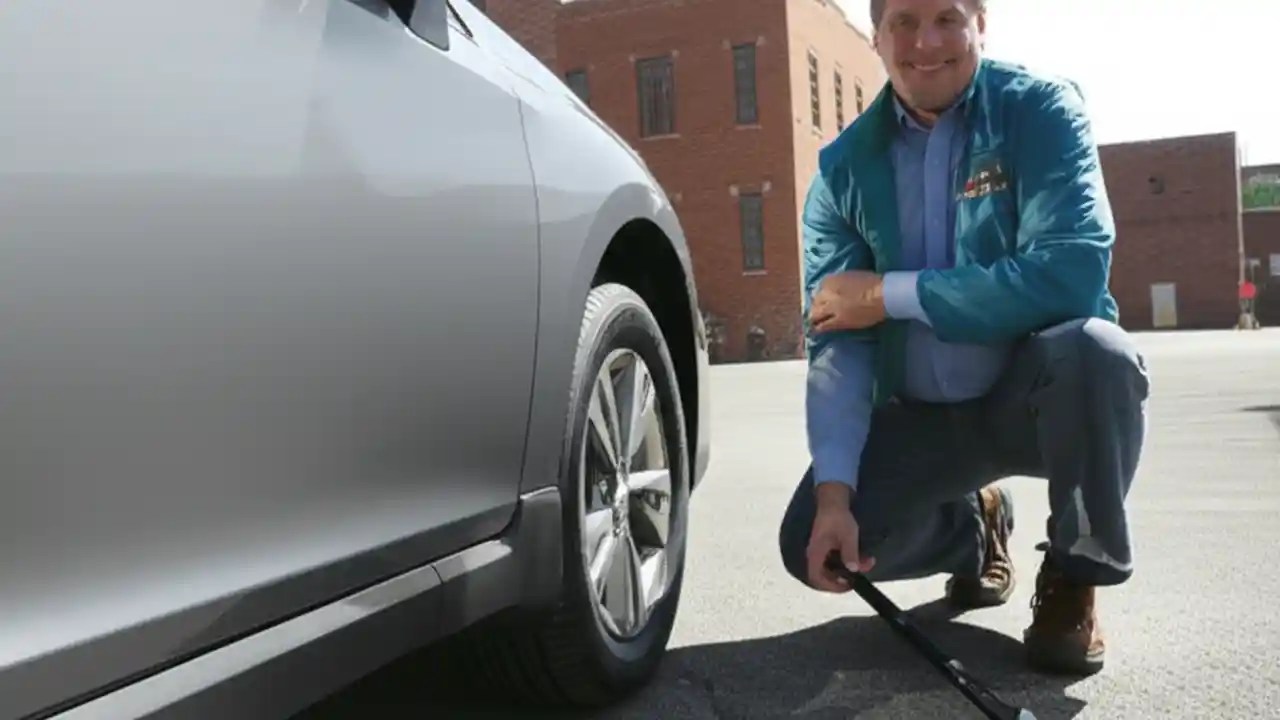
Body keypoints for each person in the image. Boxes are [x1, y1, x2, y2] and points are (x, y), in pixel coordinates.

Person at [776, 0, 1151, 677]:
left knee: (1099, 354)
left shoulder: (1040, 112)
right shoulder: (843, 169)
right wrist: (835, 494)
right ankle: (972, 533)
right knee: (814, 538)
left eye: (948, 17)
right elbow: (839, 334)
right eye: (904, 22)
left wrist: (891, 293)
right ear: (876, 34)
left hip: (1032, 399)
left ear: (982, 23)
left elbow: (1069, 270)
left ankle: (1075, 573)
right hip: (923, 418)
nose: (926, 42)